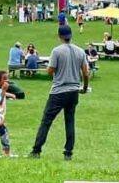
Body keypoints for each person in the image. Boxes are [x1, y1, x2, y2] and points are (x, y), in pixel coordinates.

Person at [28, 24, 89, 161]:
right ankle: (68, 152)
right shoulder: (80, 52)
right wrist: (84, 87)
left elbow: (50, 70)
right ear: (71, 35)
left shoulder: (57, 51)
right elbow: (86, 72)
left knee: (47, 120)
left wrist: (53, 70)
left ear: (59, 36)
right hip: (74, 90)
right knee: (70, 120)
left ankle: (36, 149)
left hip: (58, 91)